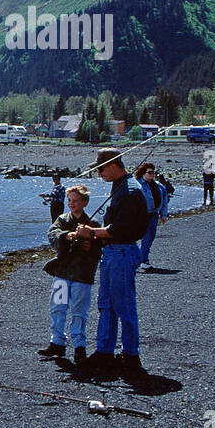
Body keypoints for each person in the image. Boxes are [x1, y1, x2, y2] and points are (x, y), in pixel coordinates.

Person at [75, 149, 150, 375]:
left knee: (123, 304)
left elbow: (120, 229)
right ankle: (104, 351)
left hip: (121, 253)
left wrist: (91, 232)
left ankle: (130, 356)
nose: (99, 174)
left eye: (101, 169)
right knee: (106, 303)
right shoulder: (121, 187)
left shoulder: (128, 191)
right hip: (112, 254)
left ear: (113, 165)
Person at [38, 185, 103, 364]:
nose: (71, 204)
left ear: (84, 202)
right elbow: (52, 234)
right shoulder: (62, 219)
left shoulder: (94, 224)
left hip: (83, 275)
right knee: (57, 307)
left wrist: (90, 243)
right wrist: (67, 236)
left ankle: (79, 346)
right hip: (62, 272)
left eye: (75, 201)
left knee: (79, 311)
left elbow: (100, 249)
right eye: (69, 201)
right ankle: (57, 342)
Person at [135, 162, 168, 270]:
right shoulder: (137, 185)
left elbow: (164, 201)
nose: (152, 175)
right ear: (143, 173)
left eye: (153, 172)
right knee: (145, 237)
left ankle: (141, 259)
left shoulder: (159, 186)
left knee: (150, 238)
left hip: (154, 215)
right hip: (141, 216)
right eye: (150, 172)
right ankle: (143, 260)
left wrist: (163, 215)